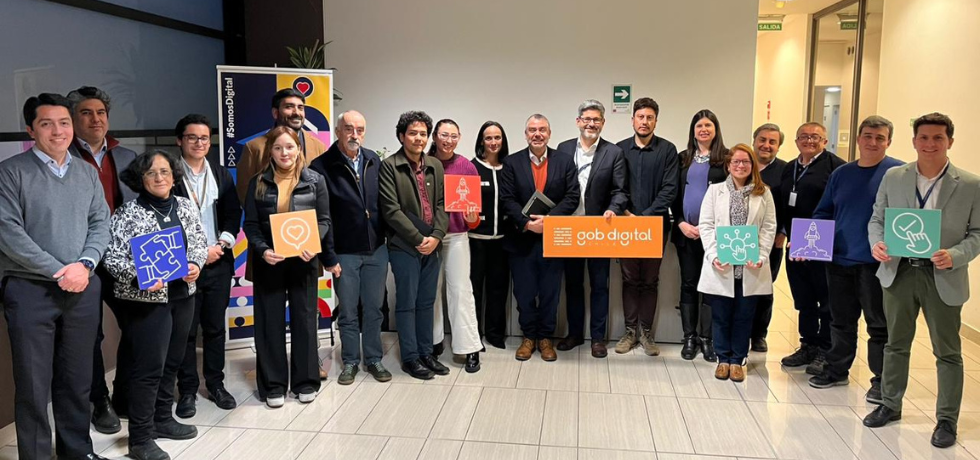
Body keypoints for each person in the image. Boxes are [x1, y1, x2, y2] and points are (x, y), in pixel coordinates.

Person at [0, 93, 111, 460]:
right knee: (33, 385)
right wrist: (57, 270)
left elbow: (101, 222)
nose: (58, 130)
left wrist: (86, 265)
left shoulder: (85, 171)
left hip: (82, 285)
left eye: (64, 122)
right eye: (47, 123)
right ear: (32, 129)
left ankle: (77, 452)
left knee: (77, 379)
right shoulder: (11, 172)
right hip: (30, 289)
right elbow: (8, 232)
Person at [863, 113, 980, 449]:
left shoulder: (970, 184)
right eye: (924, 138)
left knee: (948, 351)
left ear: (950, 142)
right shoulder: (894, 177)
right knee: (896, 343)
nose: (930, 144)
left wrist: (956, 255)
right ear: (914, 141)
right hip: (899, 272)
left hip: (942, 275)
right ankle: (890, 403)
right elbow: (877, 219)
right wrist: (877, 243)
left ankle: (946, 419)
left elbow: (977, 233)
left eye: (938, 138)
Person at [103, 150, 208, 460]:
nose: (159, 177)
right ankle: (140, 438)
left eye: (165, 171)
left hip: (182, 296)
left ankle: (163, 419)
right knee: (148, 369)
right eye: (151, 173)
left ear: (174, 176)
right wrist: (139, 276)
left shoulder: (187, 207)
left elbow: (200, 243)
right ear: (140, 179)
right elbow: (111, 258)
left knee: (172, 363)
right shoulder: (126, 214)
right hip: (146, 302)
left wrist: (195, 264)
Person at [806, 116, 903, 402]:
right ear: (859, 139)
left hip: (877, 263)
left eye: (880, 138)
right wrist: (813, 241)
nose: (873, 142)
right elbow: (823, 211)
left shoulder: (898, 173)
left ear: (889, 142)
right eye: (868, 136)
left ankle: (881, 380)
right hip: (838, 260)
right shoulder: (842, 174)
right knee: (840, 320)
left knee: (878, 324)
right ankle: (837, 370)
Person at [65, 85, 137, 435]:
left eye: (101, 113)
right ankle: (99, 400)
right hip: (83, 260)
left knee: (137, 325)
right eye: (86, 113)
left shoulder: (125, 156)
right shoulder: (64, 158)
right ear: (73, 119)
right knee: (89, 335)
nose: (96, 119)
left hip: (124, 258)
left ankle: (124, 393)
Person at [243, 126, 330, 407]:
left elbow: (325, 220)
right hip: (270, 261)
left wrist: (313, 243)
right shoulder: (257, 182)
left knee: (305, 322)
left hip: (303, 261)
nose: (284, 153)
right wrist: (263, 250)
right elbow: (252, 225)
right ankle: (273, 386)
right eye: (278, 148)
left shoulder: (315, 181)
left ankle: (305, 382)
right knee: (270, 324)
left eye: (290, 147)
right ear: (271, 151)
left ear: (298, 150)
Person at [310, 110, 393, 385]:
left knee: (374, 308)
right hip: (343, 252)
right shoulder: (321, 166)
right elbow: (320, 218)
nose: (354, 134)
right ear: (337, 131)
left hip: (376, 249)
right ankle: (350, 362)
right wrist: (328, 256)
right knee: (347, 310)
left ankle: (373, 359)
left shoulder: (373, 160)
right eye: (348, 129)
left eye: (359, 129)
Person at [171, 114, 242, 418]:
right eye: (192, 137)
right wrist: (196, 254)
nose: (199, 143)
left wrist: (221, 246)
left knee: (214, 328)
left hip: (218, 261)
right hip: (185, 266)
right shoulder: (169, 174)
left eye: (204, 138)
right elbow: (166, 221)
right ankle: (187, 390)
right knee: (185, 330)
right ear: (180, 141)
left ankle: (215, 384)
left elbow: (232, 212)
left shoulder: (220, 173)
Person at [499, 114, 580, 362]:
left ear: (549, 133)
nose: (537, 134)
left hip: (553, 240)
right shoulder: (511, 163)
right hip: (521, 240)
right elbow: (507, 199)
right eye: (532, 130)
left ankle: (545, 338)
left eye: (542, 129)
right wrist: (527, 224)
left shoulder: (565, 161)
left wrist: (549, 221)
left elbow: (572, 197)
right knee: (524, 293)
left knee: (550, 293)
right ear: (525, 134)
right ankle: (528, 337)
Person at [378, 111, 450, 380]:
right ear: (401, 136)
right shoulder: (389, 166)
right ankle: (410, 358)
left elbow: (442, 205)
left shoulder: (435, 165)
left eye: (423, 133)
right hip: (404, 246)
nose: (419, 138)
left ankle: (425, 352)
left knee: (426, 302)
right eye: (413, 133)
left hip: (433, 245)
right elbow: (391, 210)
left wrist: (437, 236)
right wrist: (420, 240)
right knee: (407, 303)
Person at [697, 144, 776, 382]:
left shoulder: (764, 193)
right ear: (728, 166)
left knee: (744, 315)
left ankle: (738, 359)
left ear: (752, 165)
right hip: (722, 265)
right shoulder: (715, 191)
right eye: (736, 162)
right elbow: (706, 225)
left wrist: (761, 256)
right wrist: (713, 254)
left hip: (750, 266)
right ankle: (723, 358)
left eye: (745, 162)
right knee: (721, 314)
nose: (740, 166)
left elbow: (768, 228)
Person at [555, 100, 628, 358]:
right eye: (586, 119)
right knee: (573, 284)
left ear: (603, 123)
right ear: (578, 122)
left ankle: (598, 338)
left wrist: (614, 209)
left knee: (600, 285)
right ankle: (575, 334)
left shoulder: (613, 152)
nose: (591, 124)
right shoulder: (563, 149)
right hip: (570, 228)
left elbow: (620, 190)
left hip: (599, 228)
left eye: (596, 119)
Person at [777, 122, 846, 374]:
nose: (809, 141)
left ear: (825, 141)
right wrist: (784, 232)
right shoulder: (789, 168)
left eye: (815, 137)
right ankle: (807, 344)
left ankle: (825, 349)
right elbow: (784, 203)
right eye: (804, 137)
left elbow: (838, 207)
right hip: (795, 242)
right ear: (796, 141)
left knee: (825, 298)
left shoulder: (836, 167)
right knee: (803, 298)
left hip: (821, 243)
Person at [615, 97, 678, 356]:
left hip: (656, 226)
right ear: (633, 120)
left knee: (650, 280)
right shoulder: (619, 150)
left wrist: (647, 217)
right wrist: (628, 213)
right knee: (629, 279)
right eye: (640, 117)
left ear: (656, 121)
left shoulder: (668, 150)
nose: (644, 121)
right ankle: (630, 332)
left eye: (649, 117)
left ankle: (647, 334)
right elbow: (616, 186)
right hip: (626, 224)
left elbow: (670, 189)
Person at [672, 109, 729, 361]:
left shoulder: (726, 159)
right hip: (687, 233)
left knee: (711, 287)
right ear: (693, 130)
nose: (703, 129)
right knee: (688, 283)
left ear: (716, 129)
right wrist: (681, 222)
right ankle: (689, 337)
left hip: (715, 236)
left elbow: (731, 196)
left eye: (708, 125)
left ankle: (708, 338)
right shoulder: (682, 158)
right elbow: (673, 193)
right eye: (699, 125)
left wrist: (714, 228)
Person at [429, 119, 483, 372]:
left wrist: (472, 218)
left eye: (453, 136)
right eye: (443, 135)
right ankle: (433, 343)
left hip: (457, 237)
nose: (448, 140)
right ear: (435, 136)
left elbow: (473, 217)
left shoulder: (466, 167)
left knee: (461, 291)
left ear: (459, 138)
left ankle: (469, 347)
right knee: (430, 292)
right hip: (428, 238)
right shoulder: (423, 162)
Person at [236, 88, 328, 203]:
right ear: (275, 113)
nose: (296, 113)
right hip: (269, 219)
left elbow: (323, 193)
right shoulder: (254, 148)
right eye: (289, 107)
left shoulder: (319, 147)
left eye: (300, 107)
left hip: (307, 219)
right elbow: (245, 191)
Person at [469, 121, 512, 350]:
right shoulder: (471, 167)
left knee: (498, 289)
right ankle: (474, 336)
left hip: (502, 242)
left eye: (497, 138)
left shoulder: (510, 167)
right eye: (488, 138)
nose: (493, 142)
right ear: (481, 141)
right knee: (474, 290)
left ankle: (495, 335)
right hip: (475, 241)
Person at [750, 123, 787, 353]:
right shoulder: (742, 165)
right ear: (754, 141)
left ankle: (759, 335)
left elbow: (789, 206)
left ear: (779, 146)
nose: (766, 145)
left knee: (764, 287)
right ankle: (742, 330)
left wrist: (783, 231)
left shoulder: (786, 170)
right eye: (762, 140)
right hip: (740, 240)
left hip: (772, 241)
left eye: (772, 142)